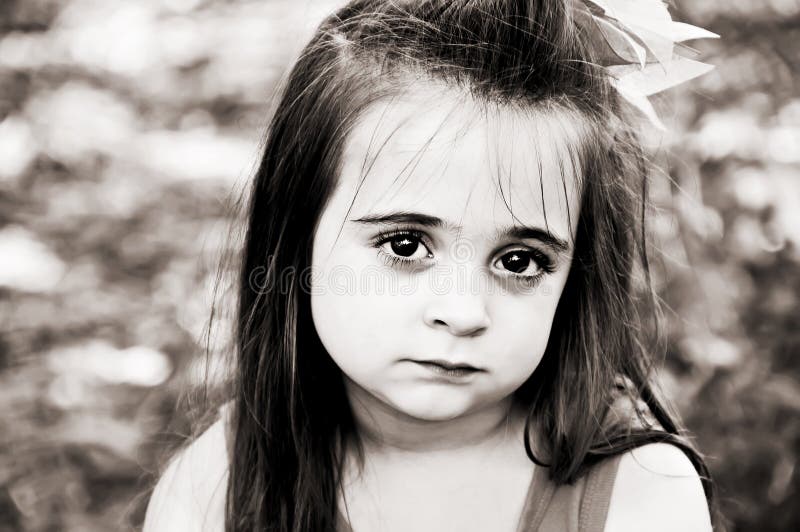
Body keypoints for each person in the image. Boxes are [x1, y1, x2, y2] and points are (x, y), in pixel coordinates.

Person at [143, 0, 723, 530]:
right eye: (405, 246)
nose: (463, 312)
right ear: (295, 239)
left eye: (519, 260)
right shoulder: (212, 495)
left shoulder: (640, 497)